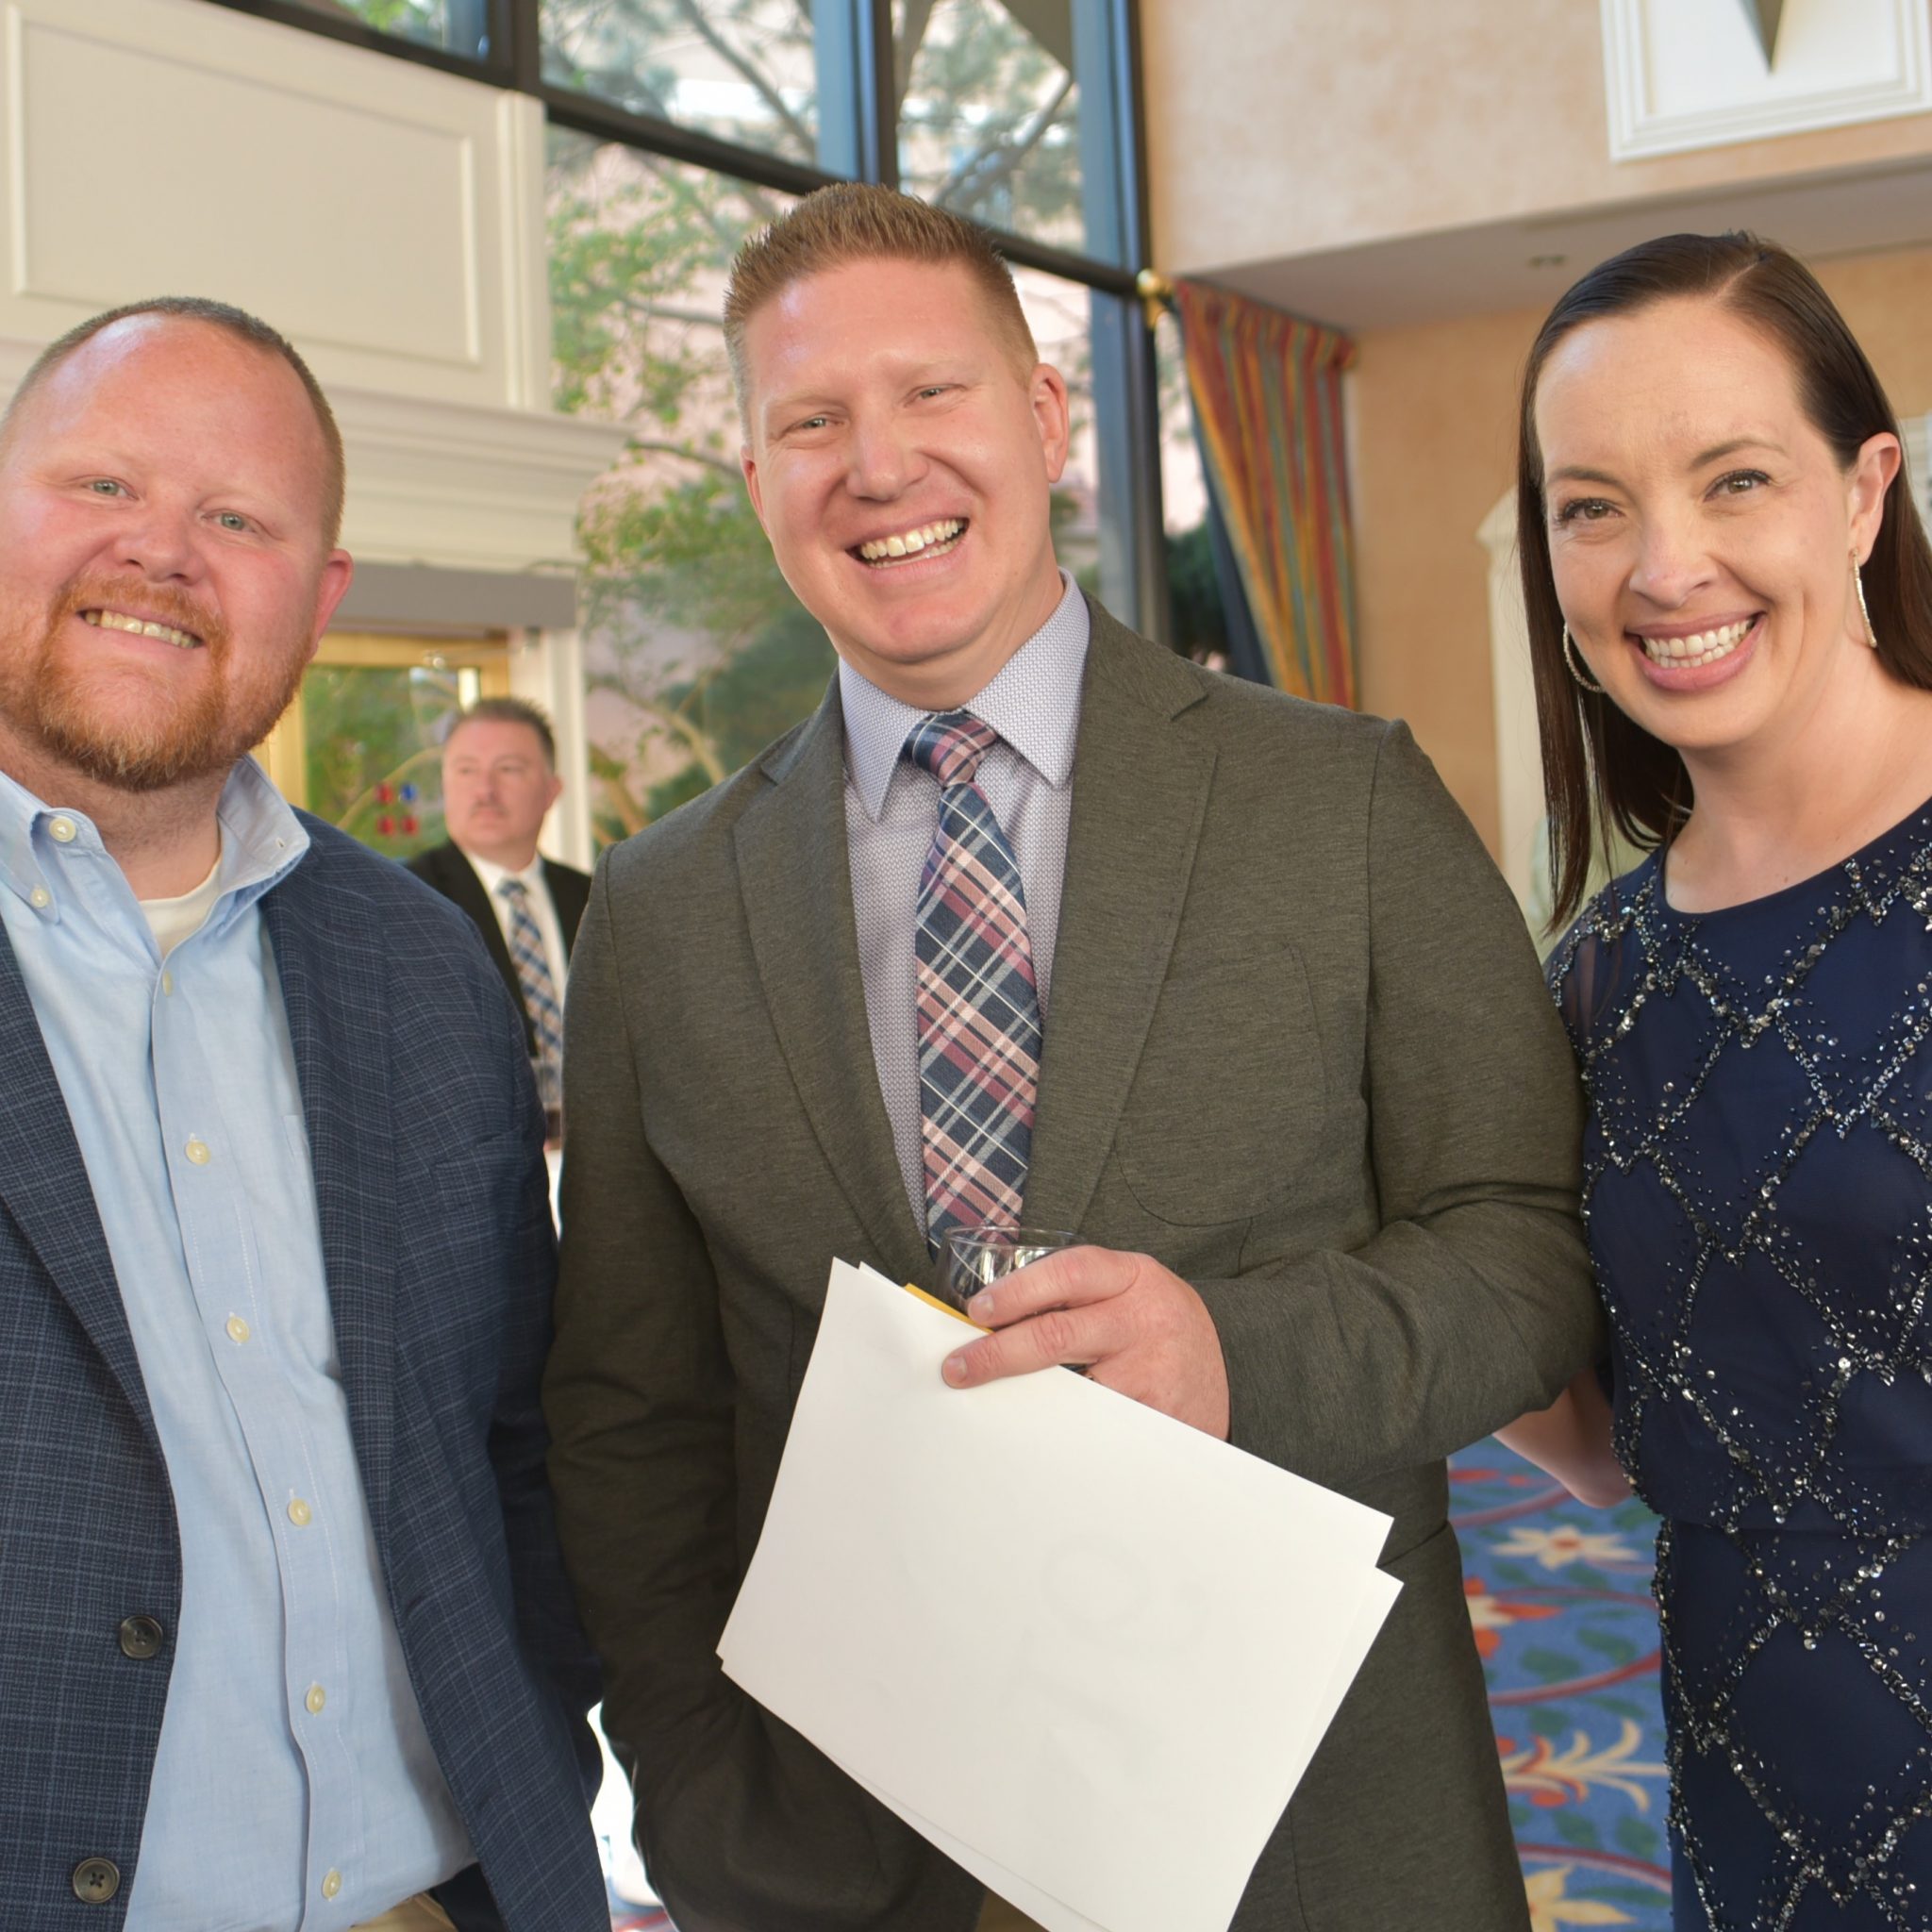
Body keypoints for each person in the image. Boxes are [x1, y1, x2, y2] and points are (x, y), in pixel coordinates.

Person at [544, 184, 1602, 1932]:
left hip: (1310, 1824)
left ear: (1043, 418)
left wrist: (1234, 1354)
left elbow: (1528, 1253)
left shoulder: (1341, 801)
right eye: (810, 422)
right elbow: (630, 1415)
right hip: (837, 1849)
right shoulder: (658, 912)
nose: (877, 464)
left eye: (930, 391)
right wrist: (690, 1784)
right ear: (755, 481)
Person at [0, 298, 608, 1929]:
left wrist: (542, 1752)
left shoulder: (420, 961)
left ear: (321, 594)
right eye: (102, 484)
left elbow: (512, 1439)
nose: (161, 552)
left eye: (238, 518)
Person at [1499, 232, 1932, 1930]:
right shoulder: (1601, 977)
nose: (1663, 566)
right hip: (1758, 1797)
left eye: (1733, 478)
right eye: (1591, 506)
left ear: (1861, 494)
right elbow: (1618, 1443)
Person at [408, 697, 590, 1081]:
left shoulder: (596, 899)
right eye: (466, 770)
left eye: (508, 769)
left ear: (552, 790)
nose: (485, 790)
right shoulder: (408, 900)